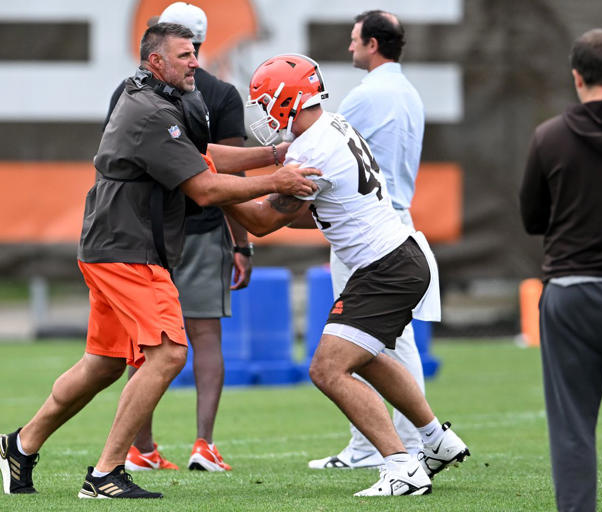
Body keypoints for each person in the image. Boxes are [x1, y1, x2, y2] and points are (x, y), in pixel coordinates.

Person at [0, 23, 319, 500]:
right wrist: (278, 180)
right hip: (129, 251)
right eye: (185, 55)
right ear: (155, 61)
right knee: (169, 353)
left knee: (102, 364)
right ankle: (106, 474)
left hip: (112, 246)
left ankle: (21, 445)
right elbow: (203, 187)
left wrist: (272, 154)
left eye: (196, 53)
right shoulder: (149, 111)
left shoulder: (157, 98)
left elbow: (201, 156)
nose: (195, 62)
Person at [224, 53, 469, 496]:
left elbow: (261, 221)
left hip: (385, 267)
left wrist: (215, 189)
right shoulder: (333, 125)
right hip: (395, 257)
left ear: (285, 100)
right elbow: (301, 213)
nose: (262, 113)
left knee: (326, 369)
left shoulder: (310, 147)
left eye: (264, 102)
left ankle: (400, 466)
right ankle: (436, 440)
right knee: (369, 357)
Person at [105, 1, 251, 473]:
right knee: (203, 336)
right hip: (195, 230)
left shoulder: (128, 92)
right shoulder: (220, 92)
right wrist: (242, 240)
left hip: (147, 233)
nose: (190, 60)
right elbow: (222, 180)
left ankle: (139, 448)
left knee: (143, 343)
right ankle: (203, 444)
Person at [308, 10, 429, 471]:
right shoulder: (408, 92)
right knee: (378, 341)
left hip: (370, 228)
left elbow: (325, 149)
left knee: (376, 343)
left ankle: (405, 445)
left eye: (355, 39)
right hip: (394, 219)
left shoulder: (367, 95)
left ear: (373, 44)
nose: (350, 47)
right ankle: (386, 444)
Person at [519, 28, 602, 512]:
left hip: (571, 294)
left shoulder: (550, 137)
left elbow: (532, 217)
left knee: (573, 425)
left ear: (577, 77)